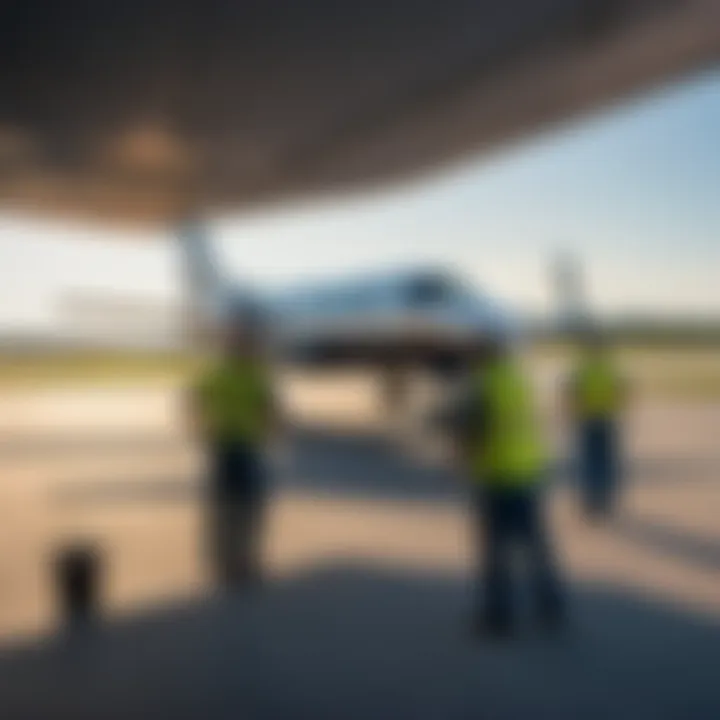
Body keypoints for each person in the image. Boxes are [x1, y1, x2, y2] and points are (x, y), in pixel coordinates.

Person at [454, 334, 564, 638]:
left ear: (481, 357)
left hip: (497, 475)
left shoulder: (482, 385)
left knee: (495, 551)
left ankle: (498, 617)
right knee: (535, 546)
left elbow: (471, 430)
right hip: (528, 472)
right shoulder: (522, 381)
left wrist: (462, 460)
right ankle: (552, 608)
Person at [189, 303, 277, 590]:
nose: (246, 345)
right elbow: (196, 399)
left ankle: (240, 561)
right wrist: (200, 425)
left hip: (246, 446)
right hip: (229, 446)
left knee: (244, 509)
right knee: (231, 509)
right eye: (241, 341)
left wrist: (272, 426)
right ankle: (230, 563)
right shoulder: (225, 373)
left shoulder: (251, 373)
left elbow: (268, 407)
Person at [566, 332, 627, 520]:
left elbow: (572, 396)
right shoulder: (610, 372)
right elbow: (621, 393)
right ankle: (606, 503)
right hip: (607, 420)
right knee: (607, 463)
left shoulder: (582, 372)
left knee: (589, 463)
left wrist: (573, 415)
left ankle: (591, 504)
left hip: (587, 420)